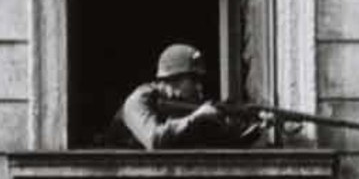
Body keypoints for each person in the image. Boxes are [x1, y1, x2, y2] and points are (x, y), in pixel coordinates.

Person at [106, 43, 265, 150]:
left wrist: (258, 127)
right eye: (193, 80)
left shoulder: (182, 106)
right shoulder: (139, 100)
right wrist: (196, 117)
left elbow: (222, 142)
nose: (199, 87)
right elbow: (154, 140)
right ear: (173, 77)